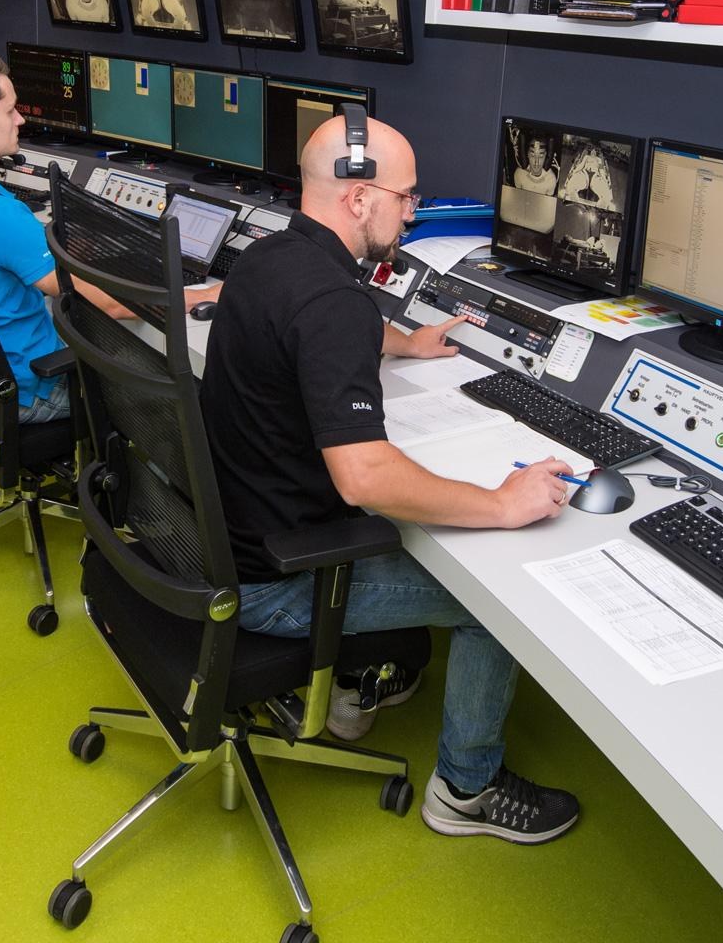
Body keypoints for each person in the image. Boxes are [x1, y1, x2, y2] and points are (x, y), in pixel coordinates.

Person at [200, 113, 583, 845]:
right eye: (406, 198)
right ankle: (467, 791)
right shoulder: (334, 301)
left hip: (224, 536)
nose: (414, 212)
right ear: (358, 198)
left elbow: (318, 328)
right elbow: (365, 479)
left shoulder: (267, 257)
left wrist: (404, 342)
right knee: (496, 604)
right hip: (274, 581)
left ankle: (353, 680)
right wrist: (502, 504)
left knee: (426, 533)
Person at [0, 52, 217, 424]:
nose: (21, 119)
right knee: (188, 394)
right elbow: (113, 305)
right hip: (33, 390)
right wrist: (202, 296)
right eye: (10, 111)